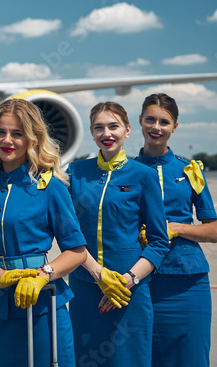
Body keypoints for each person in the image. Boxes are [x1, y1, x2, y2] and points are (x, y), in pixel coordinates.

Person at [0, 99, 87, 367]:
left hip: (43, 305)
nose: (7, 140)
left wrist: (44, 276)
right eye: (0, 132)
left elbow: (77, 251)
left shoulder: (50, 187)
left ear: (32, 139)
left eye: (17, 133)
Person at [67, 102, 169, 366]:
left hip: (129, 294)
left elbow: (159, 242)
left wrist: (127, 281)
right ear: (91, 132)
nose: (106, 134)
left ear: (127, 130)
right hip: (84, 288)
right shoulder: (75, 173)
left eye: (113, 126)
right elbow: (68, 233)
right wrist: (97, 274)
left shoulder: (143, 176)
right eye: (99, 127)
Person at [135, 93, 217, 366]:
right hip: (140, 279)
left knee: (191, 357)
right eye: (150, 119)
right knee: (143, 357)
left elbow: (213, 231)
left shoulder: (190, 170)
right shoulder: (126, 170)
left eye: (164, 122)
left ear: (175, 127)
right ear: (140, 121)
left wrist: (177, 228)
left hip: (187, 281)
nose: (156, 127)